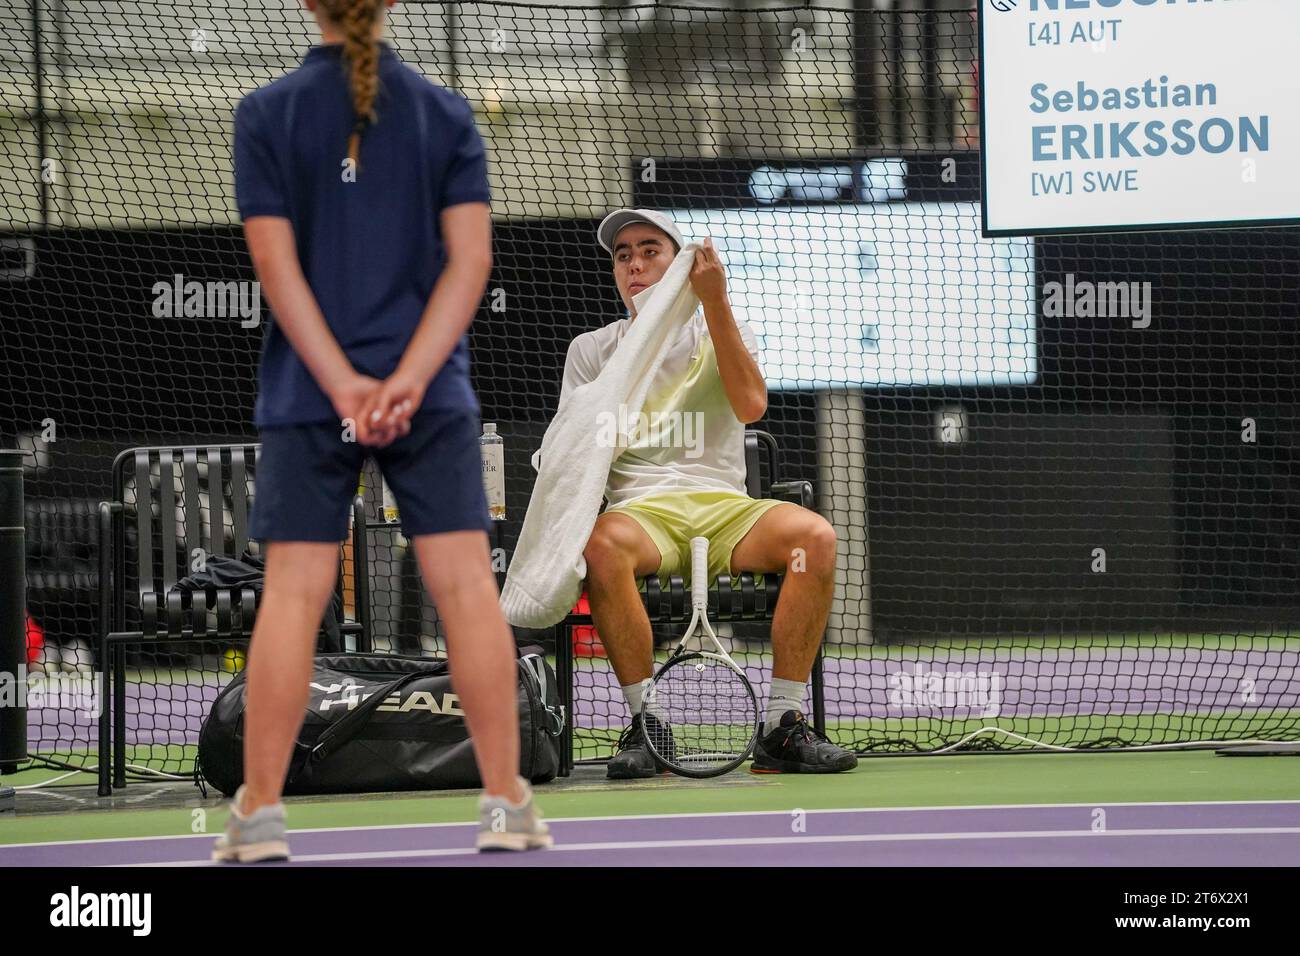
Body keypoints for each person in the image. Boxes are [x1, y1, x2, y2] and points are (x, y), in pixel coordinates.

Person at [215, 0, 549, 860]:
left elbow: (273, 265)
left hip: (307, 393)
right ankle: (507, 807)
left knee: (292, 594)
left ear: (306, 5)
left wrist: (341, 382)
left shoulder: (265, 113)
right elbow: (470, 262)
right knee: (468, 591)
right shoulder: (444, 113)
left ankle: (256, 818)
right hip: (429, 395)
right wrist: (404, 380)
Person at [566, 209, 858, 778]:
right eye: (623, 255)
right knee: (600, 547)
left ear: (679, 265)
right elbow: (577, 448)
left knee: (813, 538)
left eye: (649, 250)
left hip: (726, 512)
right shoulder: (592, 350)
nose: (634, 264)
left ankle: (782, 727)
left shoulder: (720, 327)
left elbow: (751, 407)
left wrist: (715, 302)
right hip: (641, 515)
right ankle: (647, 726)